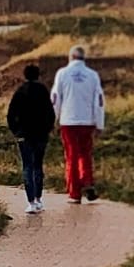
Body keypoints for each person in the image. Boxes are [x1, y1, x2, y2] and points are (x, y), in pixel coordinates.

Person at [49, 39, 106, 201]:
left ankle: (74, 192)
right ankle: (87, 181)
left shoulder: (62, 74)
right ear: (83, 58)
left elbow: (55, 99)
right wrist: (99, 123)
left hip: (68, 122)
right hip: (87, 122)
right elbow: (99, 101)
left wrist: (53, 119)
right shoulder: (93, 76)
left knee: (71, 156)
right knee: (85, 155)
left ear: (70, 57)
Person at [4, 61, 55, 213]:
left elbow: (11, 115)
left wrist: (16, 131)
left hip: (24, 135)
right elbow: (50, 113)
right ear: (38, 75)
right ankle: (39, 199)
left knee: (27, 166)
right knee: (38, 165)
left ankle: (31, 201)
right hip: (40, 135)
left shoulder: (20, 91)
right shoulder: (43, 91)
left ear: (24, 75)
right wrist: (48, 129)